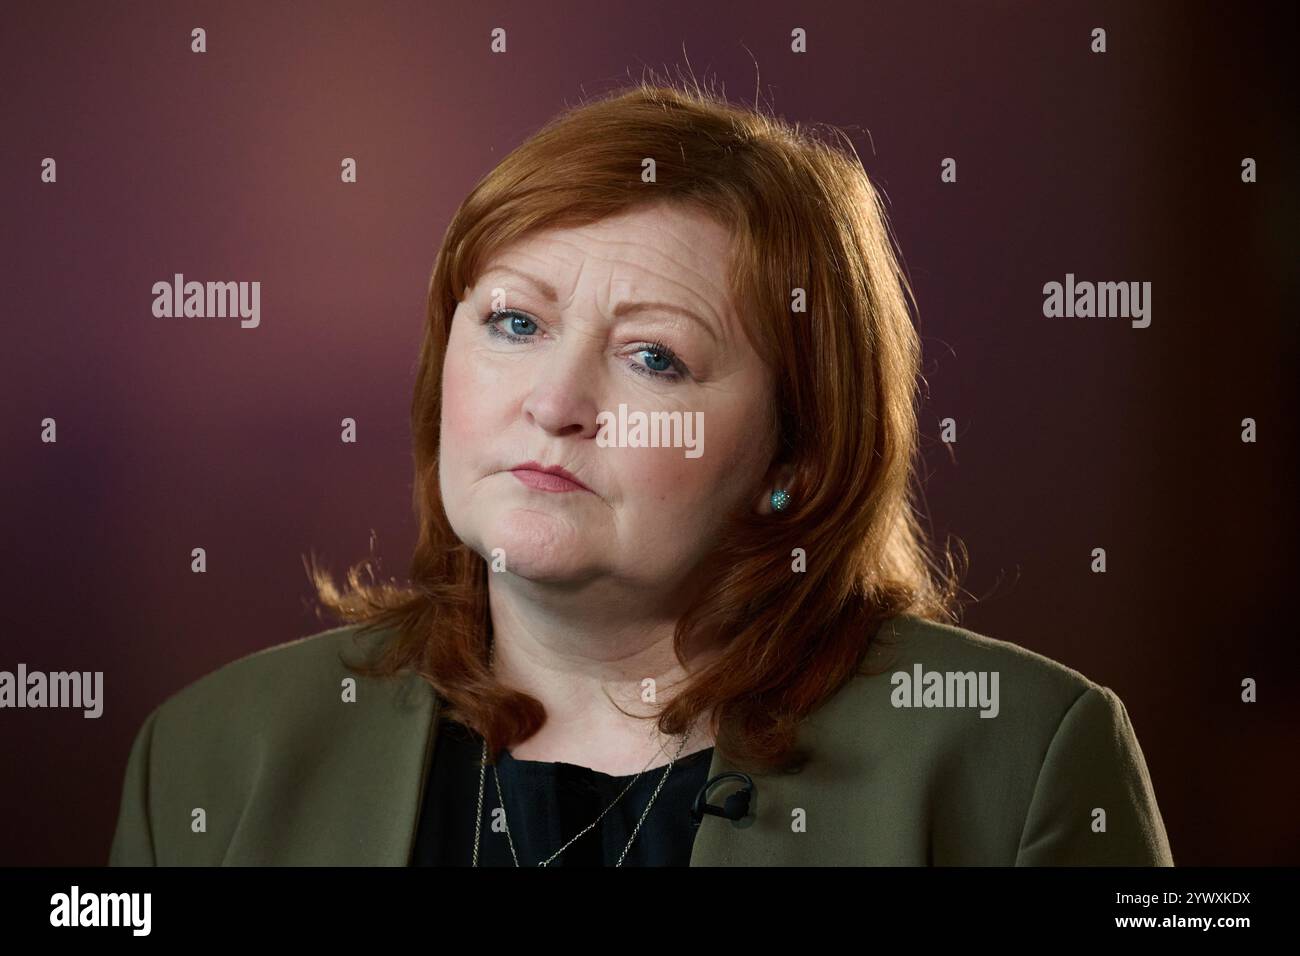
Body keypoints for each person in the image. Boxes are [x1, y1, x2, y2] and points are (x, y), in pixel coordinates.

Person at [109, 76, 1173, 867]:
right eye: (515, 322)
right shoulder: (208, 755)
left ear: (795, 455)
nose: (555, 402)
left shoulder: (1020, 759)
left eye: (654, 356)